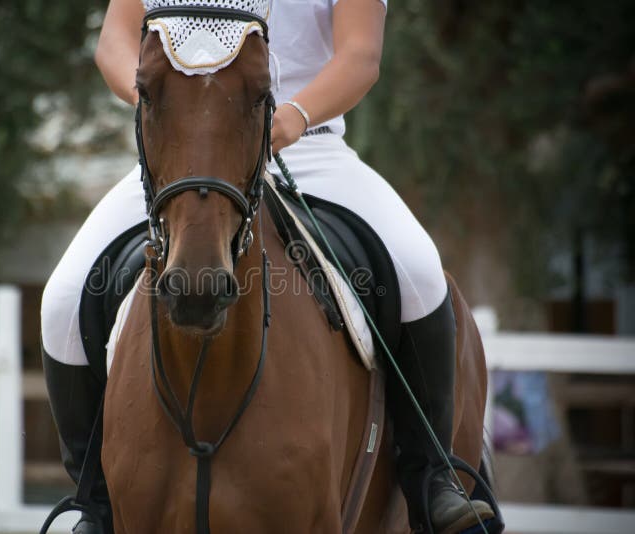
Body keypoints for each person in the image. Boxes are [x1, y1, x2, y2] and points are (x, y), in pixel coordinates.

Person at [41, 1, 495, 533]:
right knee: (63, 298)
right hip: (187, 150)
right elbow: (114, 42)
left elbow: (360, 56)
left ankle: (432, 478)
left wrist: (292, 115)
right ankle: (94, 502)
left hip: (307, 146)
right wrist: (158, 99)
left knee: (418, 271)